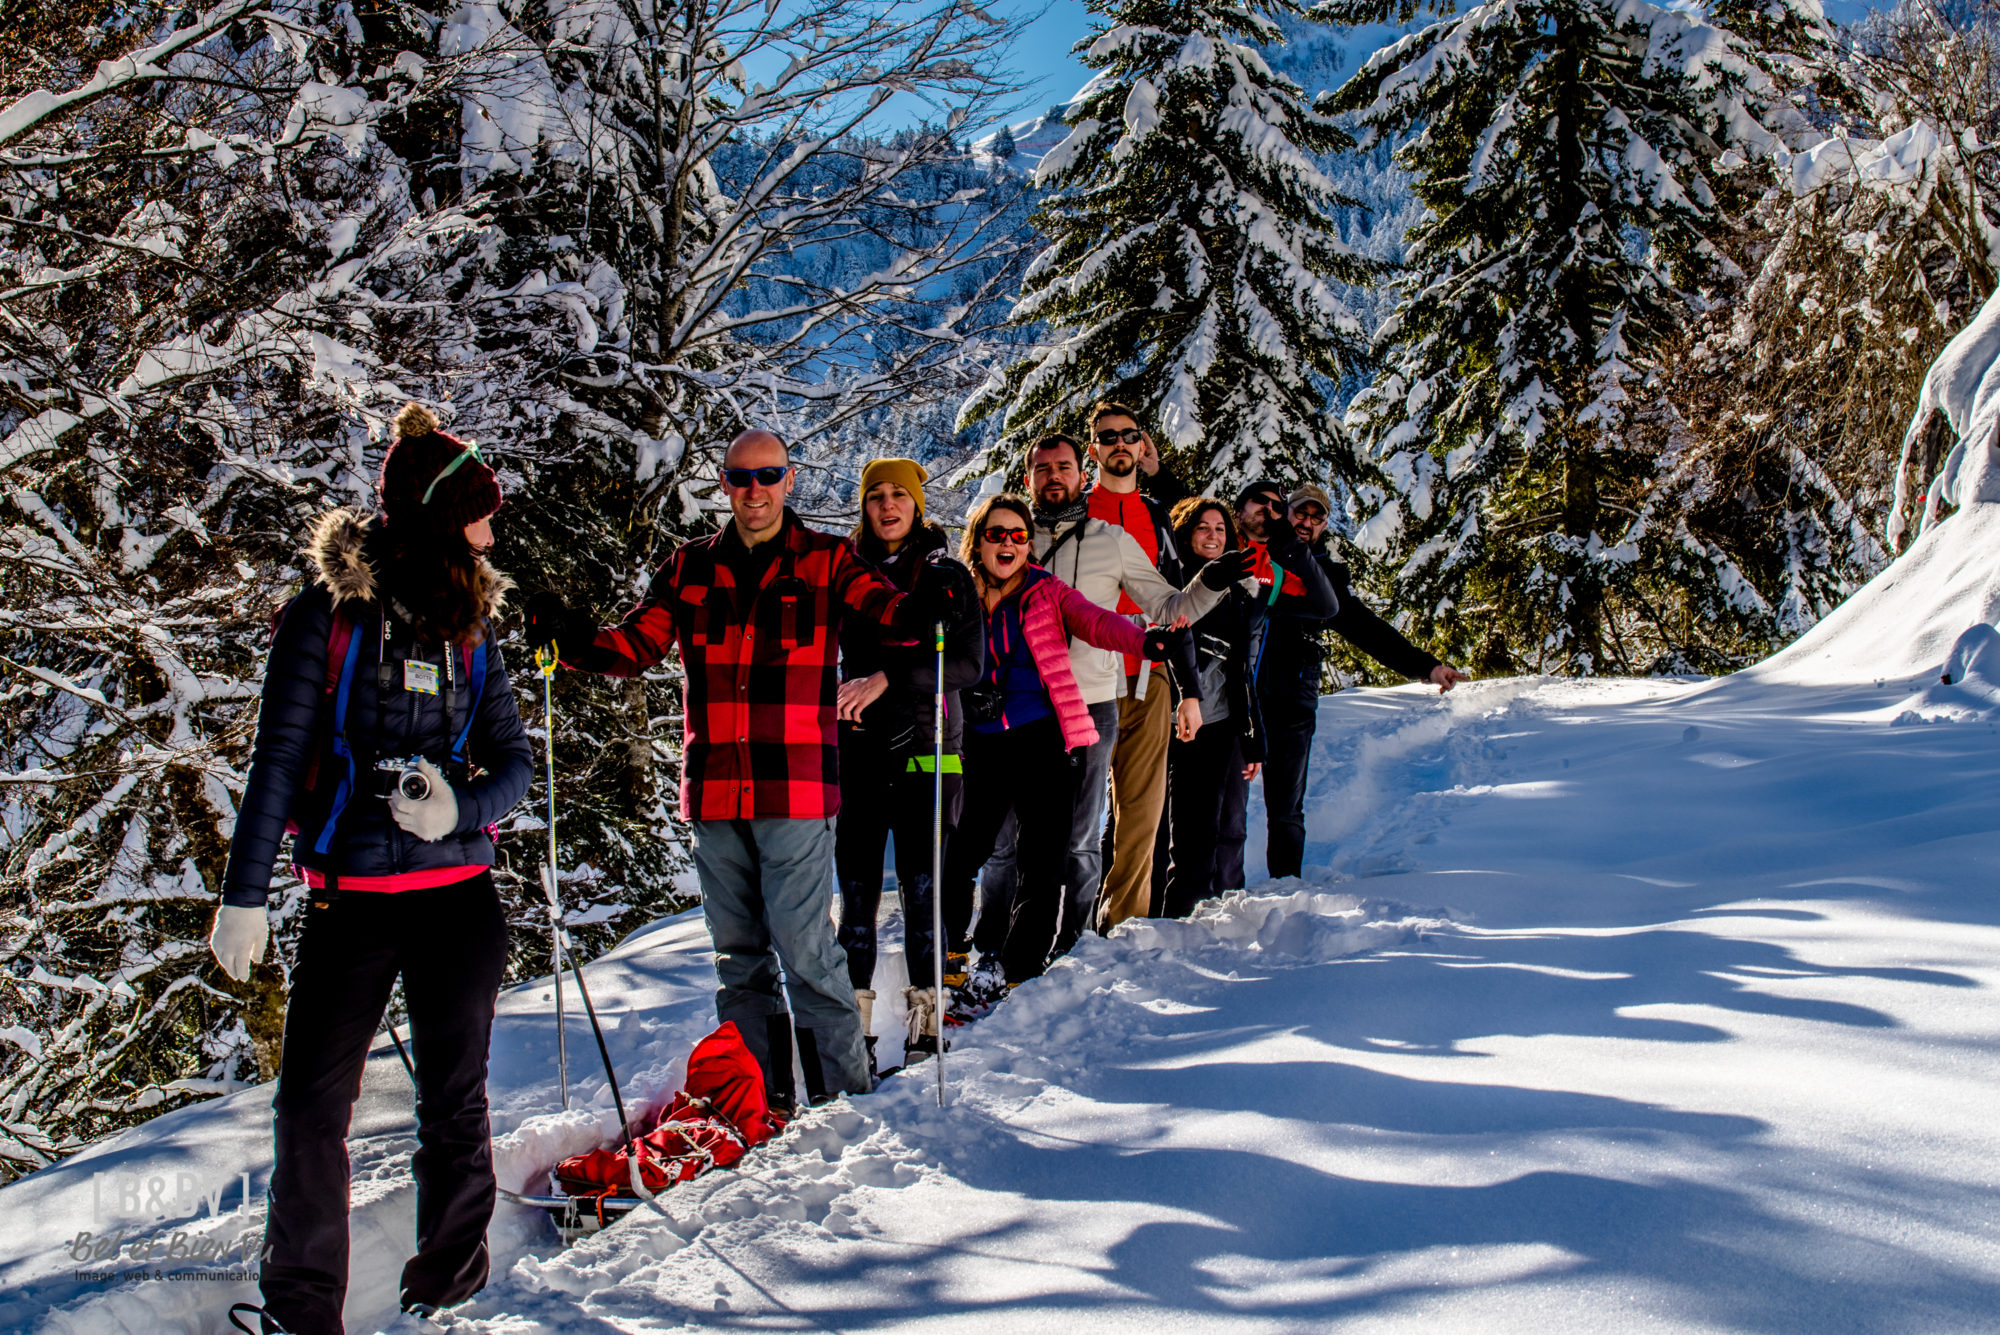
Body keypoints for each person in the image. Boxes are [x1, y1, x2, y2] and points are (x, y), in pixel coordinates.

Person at [208, 402, 534, 1335]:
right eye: (479, 511)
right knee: (311, 1106)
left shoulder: (476, 624)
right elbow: (279, 756)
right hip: (350, 901)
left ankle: (448, 1290)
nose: (491, 528)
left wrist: (458, 809)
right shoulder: (328, 617)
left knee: (454, 1098)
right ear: (438, 517)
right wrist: (244, 896)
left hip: (459, 900)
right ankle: (301, 1312)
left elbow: (513, 760)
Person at [522, 430, 963, 1104]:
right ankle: (760, 1100)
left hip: (795, 787)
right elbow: (636, 645)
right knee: (739, 961)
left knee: (808, 952)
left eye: (768, 476)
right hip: (716, 790)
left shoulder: (827, 559)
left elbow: (894, 613)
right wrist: (576, 640)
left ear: (788, 481)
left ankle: (841, 1098)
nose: (754, 490)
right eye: (740, 477)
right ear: (726, 484)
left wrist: (933, 600)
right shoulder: (689, 567)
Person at [985, 426, 1243, 971]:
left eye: (1063, 468)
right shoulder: (1009, 539)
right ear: (1028, 477)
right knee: (1009, 841)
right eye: (1042, 469)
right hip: (1022, 710)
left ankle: (1072, 944)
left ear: (1083, 474)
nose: (1053, 478)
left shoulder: (1110, 540)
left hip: (1094, 701)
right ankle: (1000, 947)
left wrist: (1210, 582)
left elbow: (1168, 607)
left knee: (1079, 838)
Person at [944, 495, 1172, 987]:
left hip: (1041, 738)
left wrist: (1142, 641)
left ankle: (1021, 968)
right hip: (981, 743)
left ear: (1029, 544)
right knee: (965, 853)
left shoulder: (1047, 591)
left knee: (1043, 859)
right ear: (977, 539)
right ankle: (950, 953)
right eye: (996, 534)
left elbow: (1096, 620)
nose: (1007, 543)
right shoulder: (957, 592)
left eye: (1018, 535)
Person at [1238, 481, 1470, 878]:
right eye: (1300, 512)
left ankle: (1285, 887)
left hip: (1293, 698)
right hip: (1239, 695)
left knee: (1286, 807)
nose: (1306, 522)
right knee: (1225, 800)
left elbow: (1368, 629)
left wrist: (1427, 667)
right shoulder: (1250, 555)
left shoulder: (1323, 575)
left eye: (1317, 517)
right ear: (1284, 512)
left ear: (1325, 525)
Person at [833, 458, 982, 1067]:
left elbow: (969, 665)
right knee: (858, 898)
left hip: (929, 747)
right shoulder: (845, 572)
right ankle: (856, 1032)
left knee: (924, 893)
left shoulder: (947, 574)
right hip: (857, 749)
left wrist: (886, 678)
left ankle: (925, 1025)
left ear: (918, 505)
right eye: (876, 496)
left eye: (899, 495)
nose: (887, 506)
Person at [1162, 496, 1339, 916]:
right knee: (1175, 830)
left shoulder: (1248, 585)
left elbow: (1246, 664)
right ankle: (1165, 917)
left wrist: (1252, 735)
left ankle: (1214, 912)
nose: (1213, 535)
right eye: (1203, 528)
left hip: (1225, 717)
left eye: (1219, 530)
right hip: (1170, 715)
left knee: (1221, 828)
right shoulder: (1168, 580)